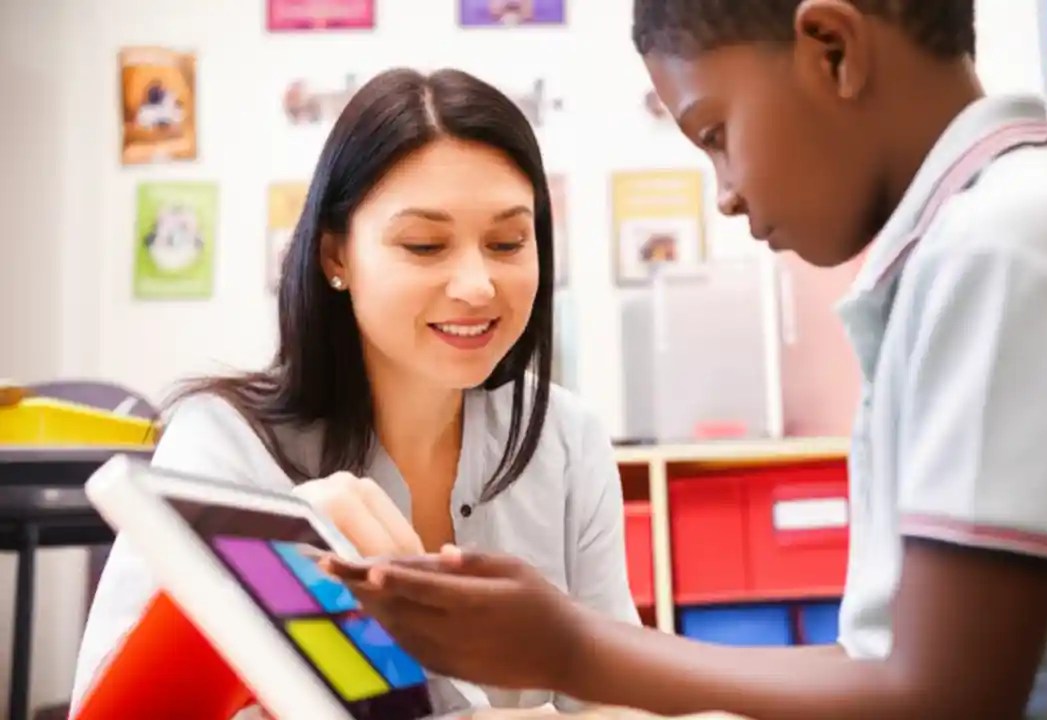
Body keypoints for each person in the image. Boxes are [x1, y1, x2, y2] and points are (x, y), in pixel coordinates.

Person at [323, 2, 1047, 719]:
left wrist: (572, 648)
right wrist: (576, 646)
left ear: (832, 50)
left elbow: (942, 697)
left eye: (715, 134)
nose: (726, 193)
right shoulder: (980, 245)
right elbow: (891, 665)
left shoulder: (1014, 246)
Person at [70, 67, 639, 715]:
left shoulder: (567, 441)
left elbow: (615, 701)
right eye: (425, 245)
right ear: (336, 256)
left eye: (508, 242)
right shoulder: (223, 443)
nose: (478, 285)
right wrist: (265, 572)